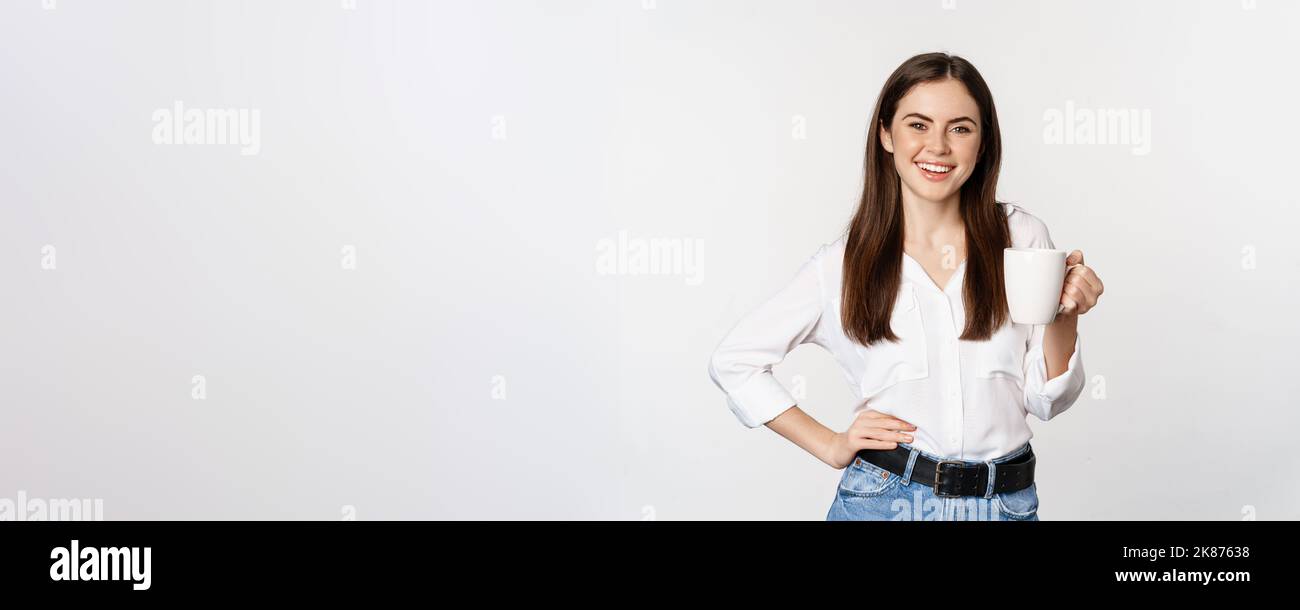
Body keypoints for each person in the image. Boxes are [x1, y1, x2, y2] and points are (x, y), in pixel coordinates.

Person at [706, 52, 1105, 521]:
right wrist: (830, 444)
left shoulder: (1023, 239)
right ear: (885, 134)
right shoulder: (841, 265)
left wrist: (1065, 316)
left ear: (983, 143)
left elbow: (1046, 400)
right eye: (918, 125)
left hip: (1005, 504)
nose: (937, 146)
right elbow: (735, 362)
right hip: (882, 501)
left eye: (960, 128)